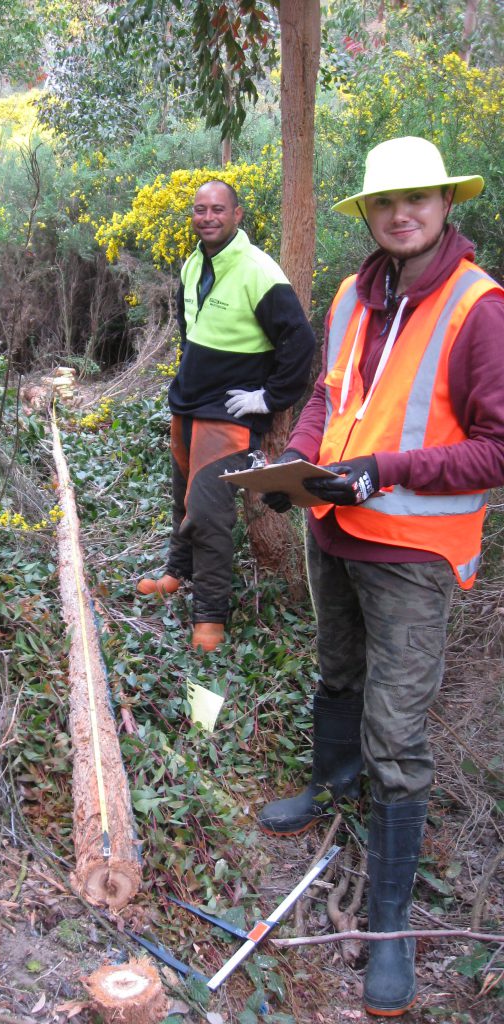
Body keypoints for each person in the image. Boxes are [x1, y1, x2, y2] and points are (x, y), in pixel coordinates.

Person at [258, 137, 504, 1017]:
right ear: (368, 213)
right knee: (337, 674)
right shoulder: (354, 294)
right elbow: (330, 395)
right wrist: (295, 464)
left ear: (446, 204)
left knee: (396, 738)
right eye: (385, 202)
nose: (402, 214)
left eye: (418, 199)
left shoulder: (479, 308)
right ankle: (331, 786)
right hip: (335, 529)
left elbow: (497, 448)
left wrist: (384, 471)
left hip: (411, 556)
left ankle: (389, 924)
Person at [136, 179, 315, 652]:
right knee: (183, 497)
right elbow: (189, 327)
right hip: (189, 402)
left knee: (210, 514)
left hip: (229, 414)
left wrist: (269, 398)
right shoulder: (194, 262)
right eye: (200, 209)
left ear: (237, 215)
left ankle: (210, 617)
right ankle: (176, 572)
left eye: (218, 209)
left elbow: (300, 341)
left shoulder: (259, 270)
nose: (207, 217)